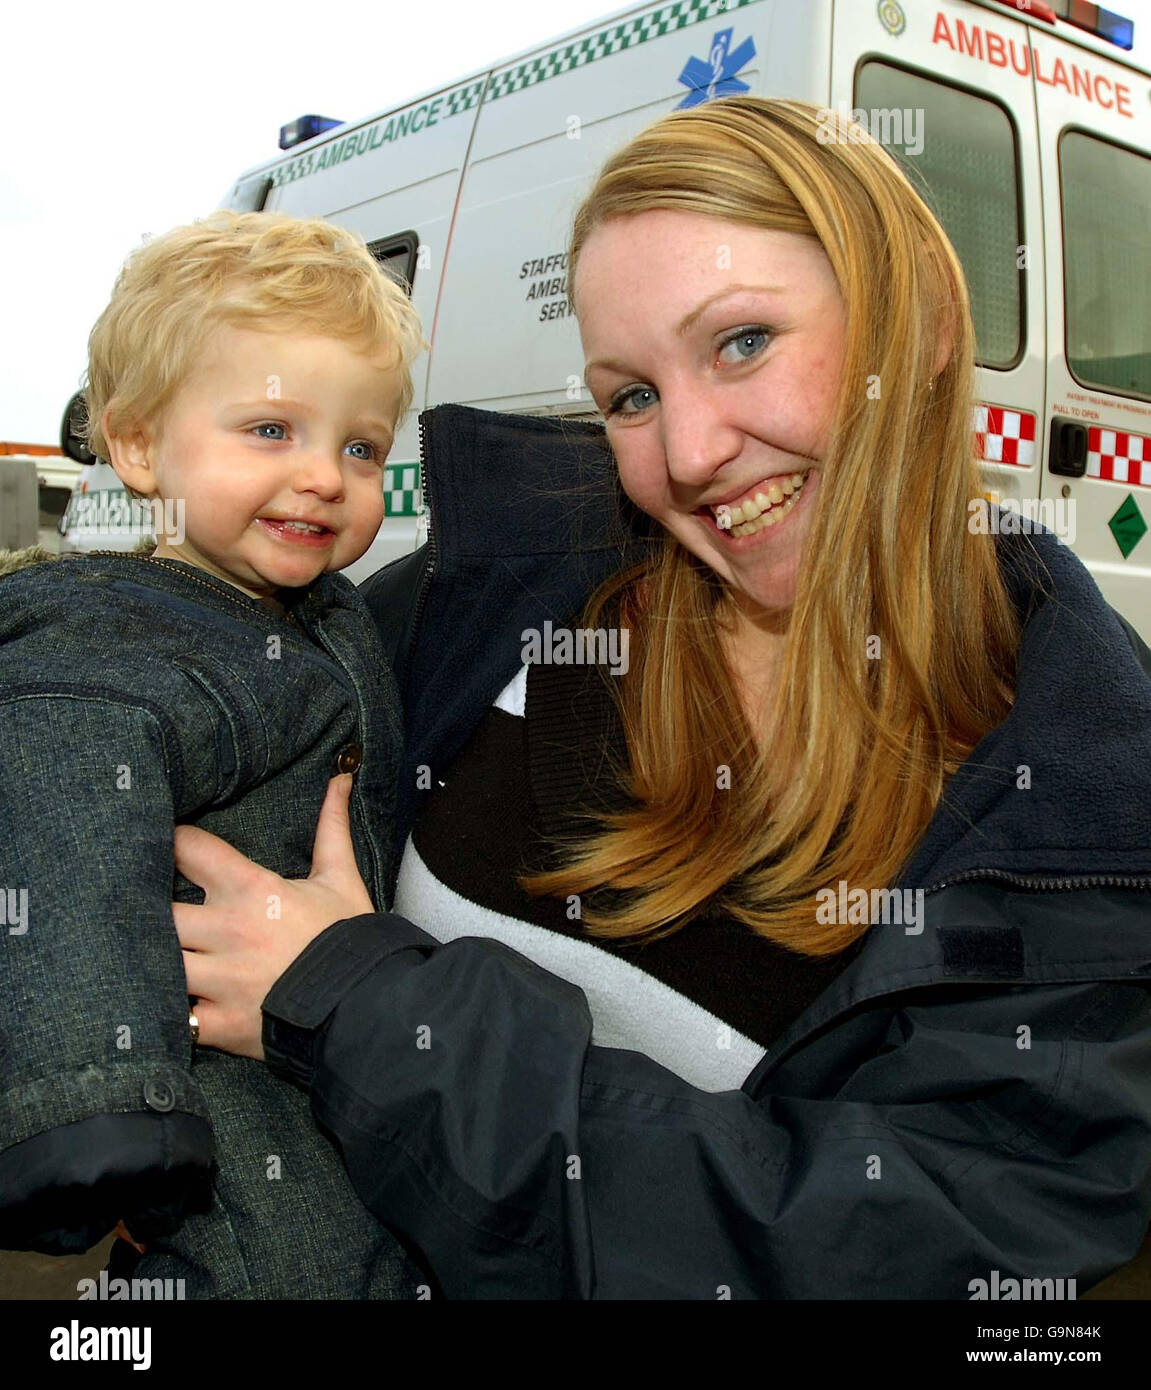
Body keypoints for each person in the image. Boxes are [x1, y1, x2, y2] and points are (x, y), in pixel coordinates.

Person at [180, 97, 1151, 1299]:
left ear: (927, 324)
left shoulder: (1081, 792)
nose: (687, 454)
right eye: (628, 396)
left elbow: (911, 1247)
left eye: (741, 342)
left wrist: (358, 1012)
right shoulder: (487, 597)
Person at [0, 210, 428, 1298]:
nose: (327, 476)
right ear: (139, 446)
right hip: (202, 1096)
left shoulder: (326, 614)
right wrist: (92, 1105)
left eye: (360, 446)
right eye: (271, 431)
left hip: (317, 1049)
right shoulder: (107, 640)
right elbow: (63, 866)